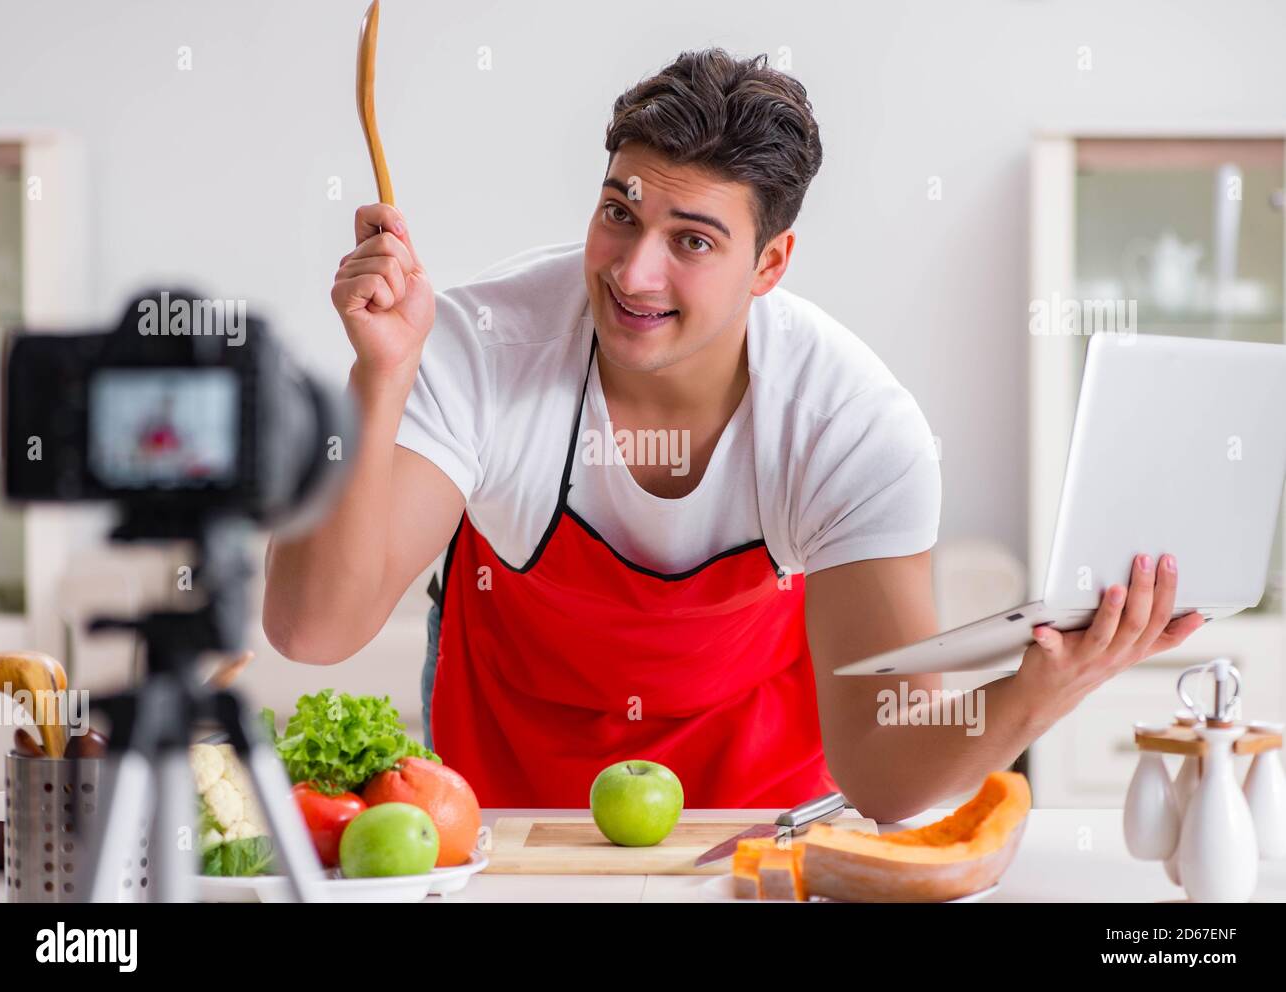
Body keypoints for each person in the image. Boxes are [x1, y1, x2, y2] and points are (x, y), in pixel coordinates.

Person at [263, 48, 1203, 816]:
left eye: (693, 240)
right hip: (503, 808)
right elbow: (312, 629)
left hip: (761, 812)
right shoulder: (479, 346)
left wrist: (1047, 687)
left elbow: (883, 770)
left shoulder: (851, 426)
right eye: (618, 212)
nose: (634, 273)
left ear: (771, 263)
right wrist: (379, 376)